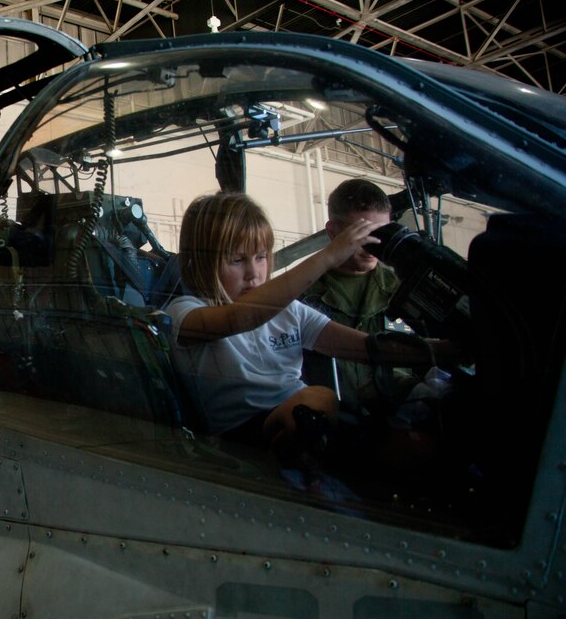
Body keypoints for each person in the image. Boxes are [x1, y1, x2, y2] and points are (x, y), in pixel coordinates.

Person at [165, 193, 451, 459]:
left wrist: (444, 351)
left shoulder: (291, 312)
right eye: (238, 260)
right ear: (203, 262)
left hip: (307, 415)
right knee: (320, 395)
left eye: (261, 256)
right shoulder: (185, 313)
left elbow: (366, 347)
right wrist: (327, 257)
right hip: (243, 435)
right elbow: (237, 318)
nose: (254, 273)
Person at [299, 179, 408, 411]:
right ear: (332, 232)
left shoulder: (401, 292)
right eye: (362, 234)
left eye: (382, 233)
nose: (374, 244)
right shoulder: (302, 294)